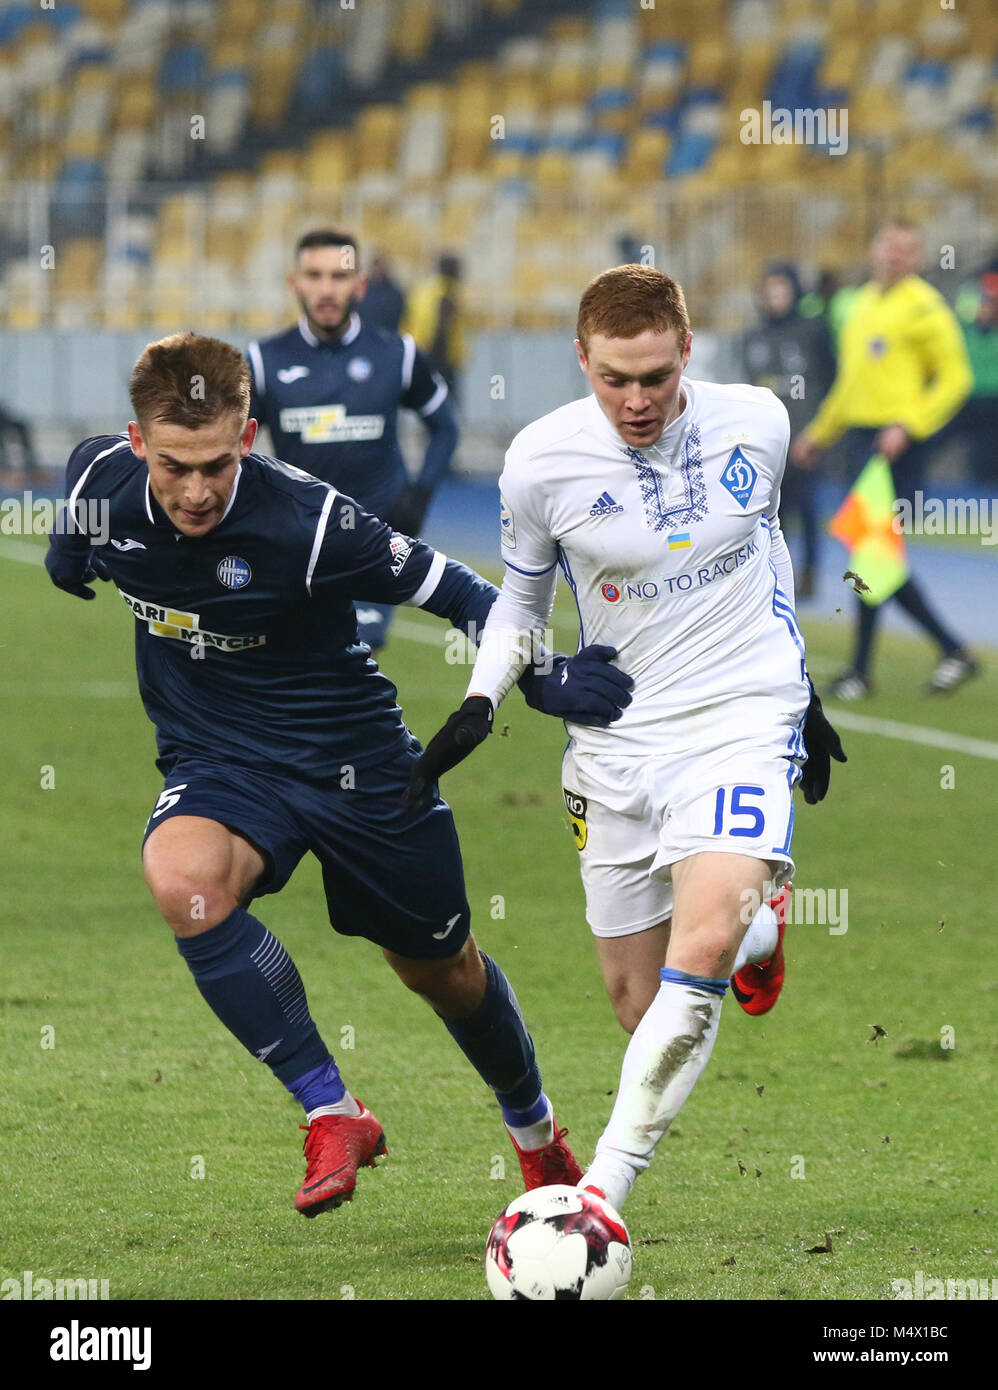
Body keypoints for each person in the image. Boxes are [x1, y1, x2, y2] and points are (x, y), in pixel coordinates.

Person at [43, 332, 635, 1219]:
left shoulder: (312, 522)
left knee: (444, 973)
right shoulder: (99, 484)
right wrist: (69, 556)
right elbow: (76, 530)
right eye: (174, 467)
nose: (197, 490)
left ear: (248, 438)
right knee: (184, 882)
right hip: (219, 763)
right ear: (137, 444)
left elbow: (465, 594)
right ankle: (332, 1109)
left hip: (356, 767)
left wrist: (542, 675)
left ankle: (536, 1133)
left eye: (216, 464)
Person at [407, 265, 846, 1215]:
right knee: (638, 1004)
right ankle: (762, 927)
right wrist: (488, 699)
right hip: (617, 744)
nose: (636, 400)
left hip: (740, 718)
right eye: (614, 378)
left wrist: (799, 694)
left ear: (687, 351)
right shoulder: (539, 462)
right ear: (582, 360)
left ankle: (601, 1196)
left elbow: (764, 549)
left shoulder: (758, 422)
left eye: (654, 376)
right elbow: (521, 607)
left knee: (703, 934)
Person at [793, 221, 978, 697]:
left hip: (897, 447)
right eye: (889, 246)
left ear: (917, 258)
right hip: (860, 439)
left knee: (872, 556)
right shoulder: (859, 303)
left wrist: (908, 424)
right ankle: (946, 652)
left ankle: (870, 669)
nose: (895, 256)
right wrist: (820, 433)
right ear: (874, 249)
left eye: (906, 249)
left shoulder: (925, 307)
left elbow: (955, 378)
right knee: (874, 557)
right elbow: (851, 383)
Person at [247, 229, 455, 650]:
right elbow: (231, 446)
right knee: (289, 655)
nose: (326, 289)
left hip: (373, 538)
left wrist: (419, 496)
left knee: (356, 645)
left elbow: (446, 428)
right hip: (295, 539)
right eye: (315, 275)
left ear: (360, 285)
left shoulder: (398, 354)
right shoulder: (264, 360)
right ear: (295, 283)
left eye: (338, 277)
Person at [741, 262, 836, 596]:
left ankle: (809, 574)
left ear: (795, 292)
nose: (775, 297)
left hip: (806, 438)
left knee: (808, 509)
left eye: (782, 289)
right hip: (767, 442)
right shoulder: (753, 336)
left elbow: (830, 379)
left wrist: (821, 432)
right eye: (770, 290)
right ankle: (771, 573)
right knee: (769, 511)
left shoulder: (813, 331)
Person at [404, 253, 466, 410]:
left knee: (428, 402)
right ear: (450, 270)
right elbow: (441, 329)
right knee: (446, 406)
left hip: (420, 352)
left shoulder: (423, 290)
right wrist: (440, 362)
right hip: (440, 358)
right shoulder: (446, 292)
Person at [359, 252, 406, 334]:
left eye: (381, 267)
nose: (378, 270)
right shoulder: (362, 289)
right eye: (376, 266)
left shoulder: (395, 294)